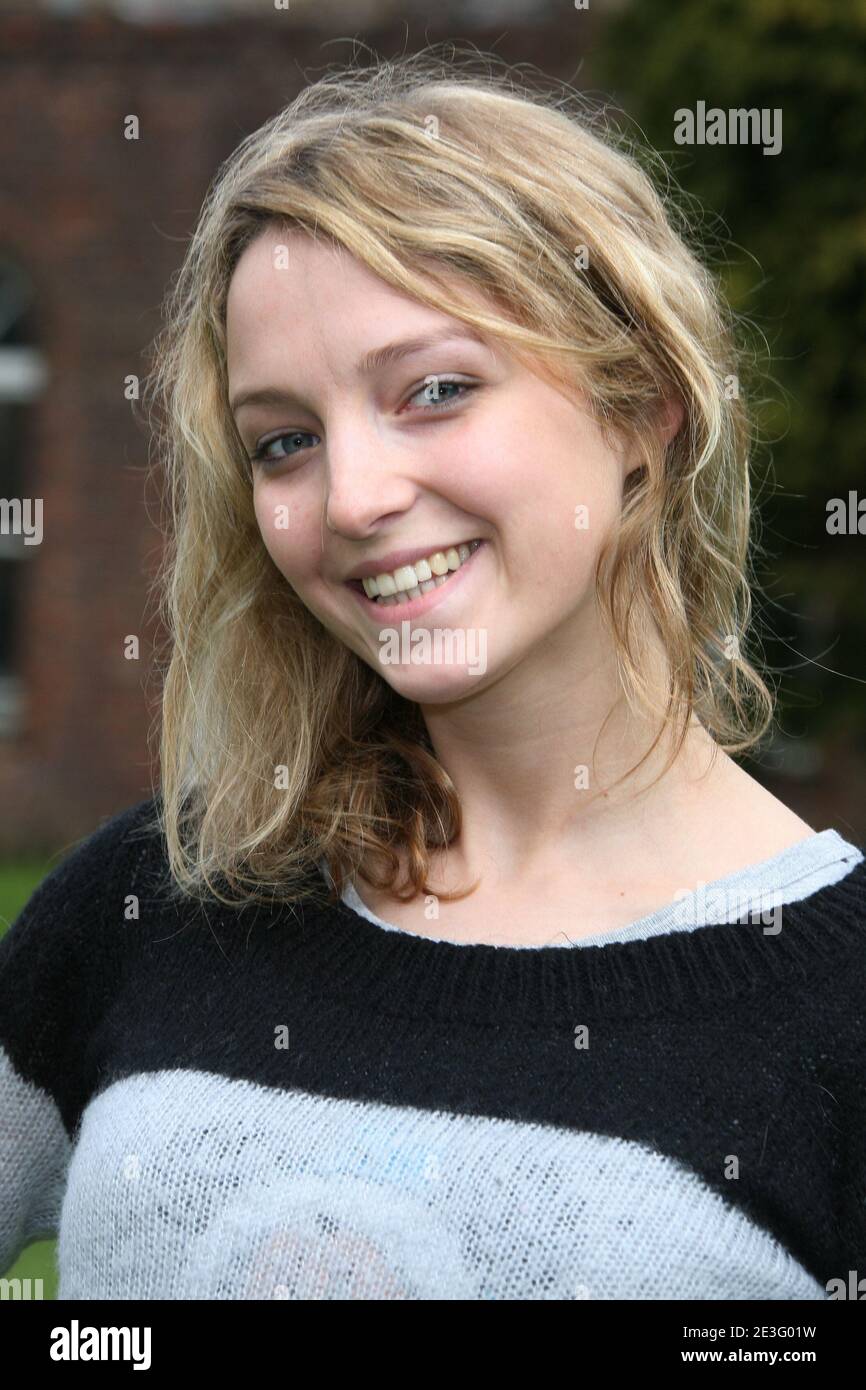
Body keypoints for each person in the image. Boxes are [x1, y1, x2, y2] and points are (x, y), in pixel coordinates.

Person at [1, 50, 864, 1301]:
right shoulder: (160, 897)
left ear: (644, 406)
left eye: (435, 391)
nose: (351, 498)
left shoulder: (833, 1007)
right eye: (283, 441)